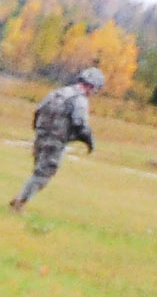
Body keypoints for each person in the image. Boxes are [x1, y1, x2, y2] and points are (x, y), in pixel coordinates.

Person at [10, 64, 103, 211]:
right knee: (43, 174)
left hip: (41, 137)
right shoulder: (80, 100)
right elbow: (80, 123)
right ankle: (19, 203)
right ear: (92, 86)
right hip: (56, 141)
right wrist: (89, 141)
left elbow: (38, 111)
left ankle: (21, 200)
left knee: (38, 171)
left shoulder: (59, 92)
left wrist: (39, 132)